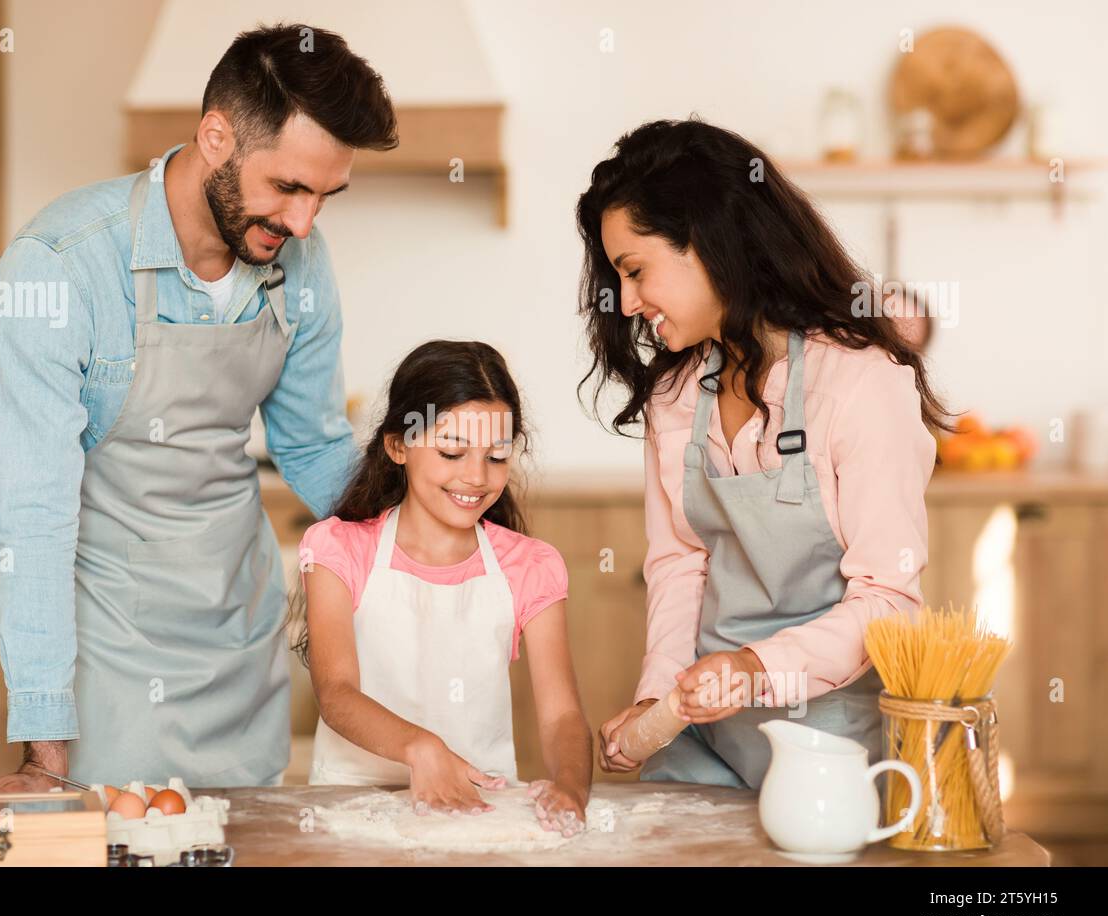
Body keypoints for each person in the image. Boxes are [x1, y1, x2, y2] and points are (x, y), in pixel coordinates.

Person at [0, 24, 397, 792]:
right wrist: (44, 747)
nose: (303, 224)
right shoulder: (60, 268)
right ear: (216, 137)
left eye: (323, 197)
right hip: (111, 651)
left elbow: (311, 446)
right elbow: (30, 519)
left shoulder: (301, 264)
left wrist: (422, 525)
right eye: (288, 188)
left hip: (241, 643)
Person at [577, 120, 952, 788]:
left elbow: (888, 600)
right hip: (700, 741)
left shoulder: (861, 384)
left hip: (829, 748)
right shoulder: (675, 395)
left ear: (709, 242)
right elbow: (680, 564)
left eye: (635, 270)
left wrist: (751, 671)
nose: (627, 300)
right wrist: (656, 702)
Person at [294, 341, 591, 832]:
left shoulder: (531, 564)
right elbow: (336, 693)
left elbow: (562, 715)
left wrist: (571, 788)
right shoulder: (336, 548)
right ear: (398, 446)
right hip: (350, 813)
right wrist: (421, 748)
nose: (476, 477)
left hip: (479, 813)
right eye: (452, 451)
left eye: (496, 456)